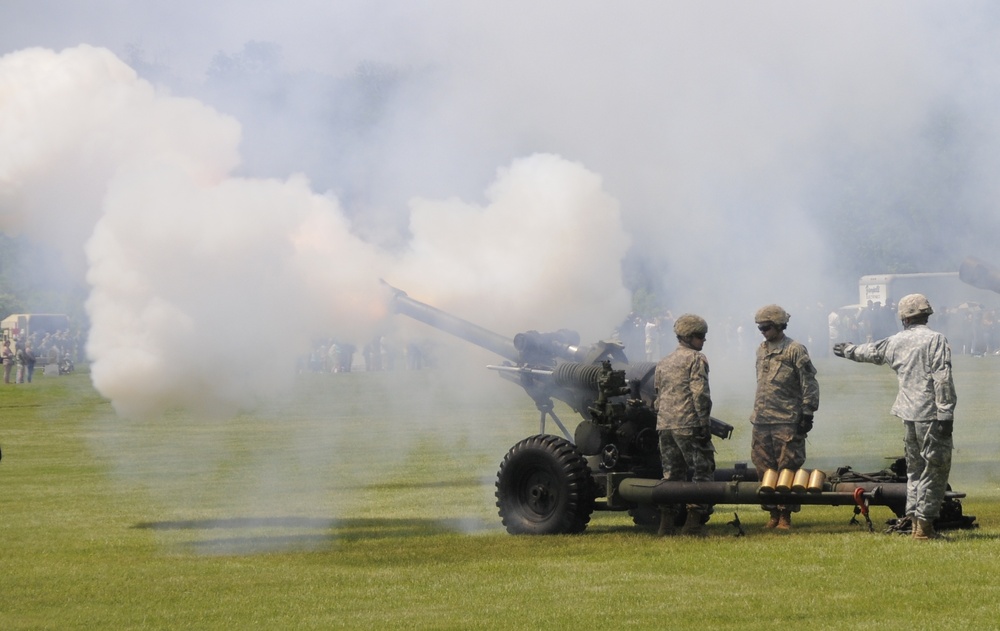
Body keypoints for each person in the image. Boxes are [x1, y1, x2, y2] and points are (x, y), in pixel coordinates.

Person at [833, 293, 956, 541]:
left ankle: (913, 522)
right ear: (927, 314)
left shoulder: (895, 341)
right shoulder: (935, 340)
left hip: (907, 413)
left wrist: (848, 350)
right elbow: (942, 377)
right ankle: (924, 527)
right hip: (931, 414)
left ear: (904, 318)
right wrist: (946, 412)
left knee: (914, 470)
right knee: (935, 469)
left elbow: (872, 351)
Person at [750, 304, 820, 530]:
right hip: (761, 420)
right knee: (764, 468)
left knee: (787, 468)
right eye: (760, 327)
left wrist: (807, 413)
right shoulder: (761, 350)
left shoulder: (794, 350)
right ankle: (771, 512)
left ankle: (785, 515)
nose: (763, 331)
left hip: (787, 419)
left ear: (779, 326)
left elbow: (809, 383)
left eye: (767, 327)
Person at [654, 314, 715, 536]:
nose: (703, 341)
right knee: (702, 472)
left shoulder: (664, 362)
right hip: (689, 424)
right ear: (689, 337)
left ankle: (666, 525)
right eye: (700, 336)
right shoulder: (696, 359)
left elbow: (658, 396)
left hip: (665, 425)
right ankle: (693, 524)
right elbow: (700, 394)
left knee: (671, 476)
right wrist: (703, 424)